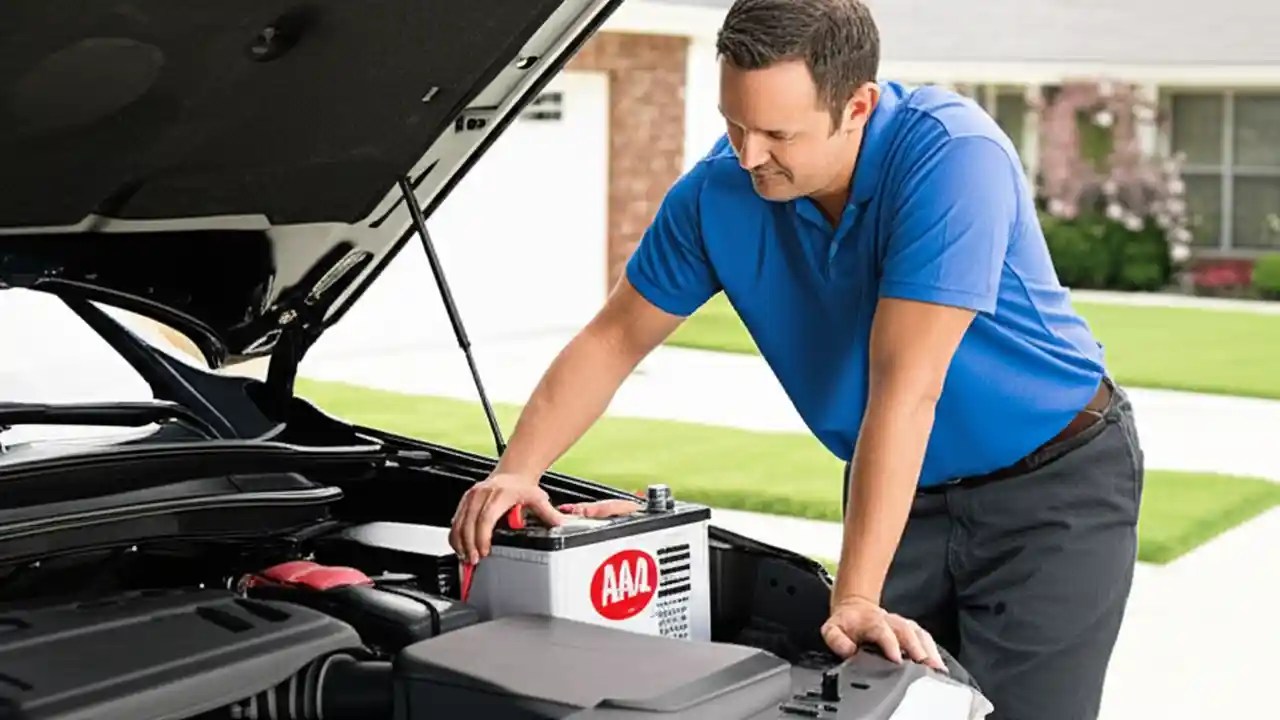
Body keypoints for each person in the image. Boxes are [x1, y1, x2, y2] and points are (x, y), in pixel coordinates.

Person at [449, 0, 1144, 717]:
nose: (749, 155)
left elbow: (906, 391)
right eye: (734, 124)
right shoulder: (717, 193)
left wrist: (858, 594)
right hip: (904, 490)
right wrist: (518, 469)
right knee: (878, 703)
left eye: (778, 133)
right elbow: (614, 338)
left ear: (857, 107)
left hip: (1052, 488)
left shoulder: (952, 157)